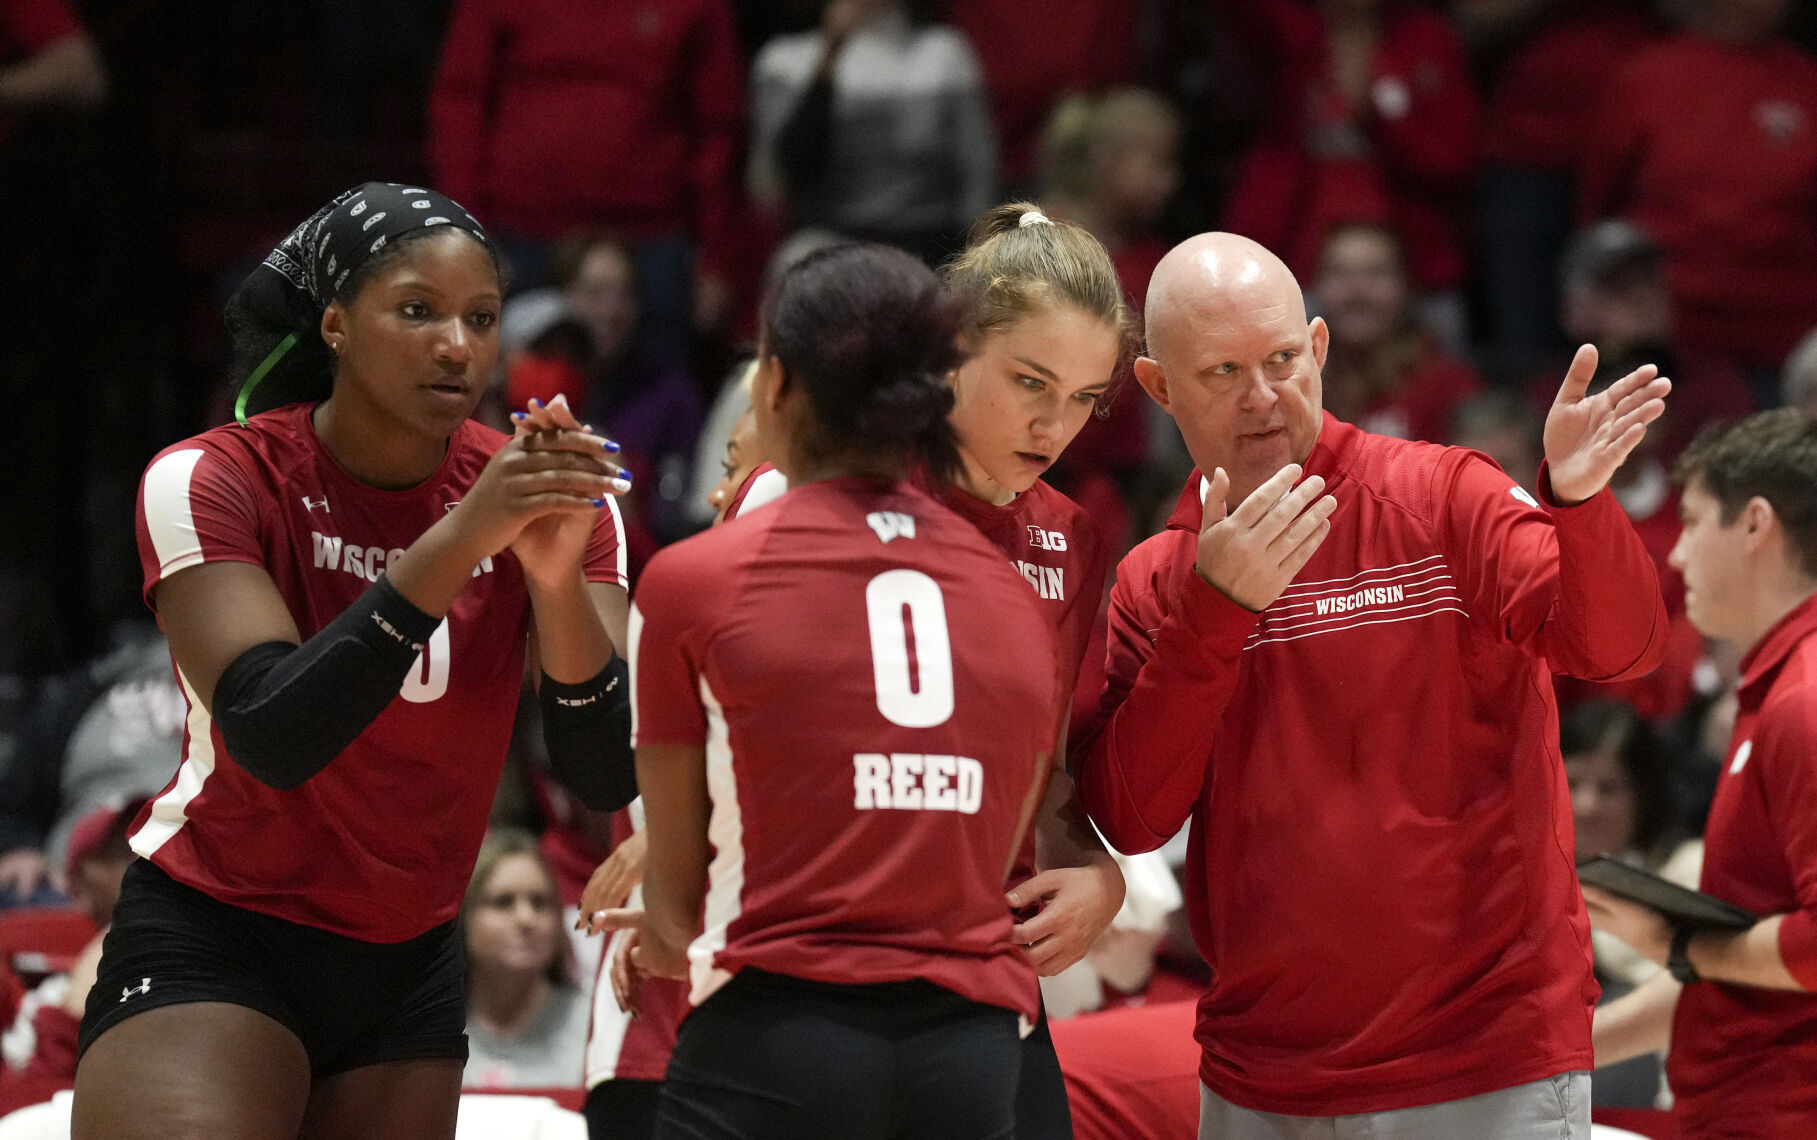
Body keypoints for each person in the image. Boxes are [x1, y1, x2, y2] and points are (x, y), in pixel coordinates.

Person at [1073, 231, 1672, 1137]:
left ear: (1318, 348)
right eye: (1224, 372)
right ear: (1158, 388)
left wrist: (1580, 505)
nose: (1262, 396)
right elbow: (1130, 818)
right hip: (1260, 1074)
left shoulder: (1444, 497)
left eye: (1281, 359)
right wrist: (1216, 613)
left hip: (1481, 1056)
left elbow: (1619, 653)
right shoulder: (1157, 579)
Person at [70, 183, 635, 1140]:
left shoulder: (550, 499)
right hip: (222, 923)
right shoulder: (215, 476)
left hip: (409, 955)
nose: (455, 345)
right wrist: (465, 536)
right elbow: (273, 733)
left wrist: (552, 582)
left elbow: (604, 771)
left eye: (480, 318)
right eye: (417, 310)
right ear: (335, 324)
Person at [600, 242, 1064, 1138]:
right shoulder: (1012, 596)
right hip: (971, 1059)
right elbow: (994, 856)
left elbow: (676, 903)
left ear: (774, 385)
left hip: (776, 1044)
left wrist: (659, 932)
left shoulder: (692, 582)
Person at [928, 202, 1131, 1137]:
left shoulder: (1069, 534)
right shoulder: (837, 488)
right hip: (836, 967)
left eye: (1085, 397)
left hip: (993, 974)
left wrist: (1096, 874)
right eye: (1029, 382)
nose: (1055, 423)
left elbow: (1041, 770)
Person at [1584, 408, 1817, 1138]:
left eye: (1690, 522)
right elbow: (1733, 974)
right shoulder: (1779, 688)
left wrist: (1681, 943)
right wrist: (1545, 1057)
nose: (1678, 557)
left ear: (1754, 524)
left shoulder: (1805, 699)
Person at [428, 0, 742, 364]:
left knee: (660, 392)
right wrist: (469, 232)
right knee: (512, 388)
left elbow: (718, 127)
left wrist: (717, 258)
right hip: (519, 235)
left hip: (652, 239)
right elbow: (460, 104)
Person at [748, 0, 996, 266]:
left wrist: (977, 255)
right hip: (829, 240)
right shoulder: (783, 60)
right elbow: (785, 170)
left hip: (928, 239)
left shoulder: (943, 51)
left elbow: (976, 167)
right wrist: (833, 47)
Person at [1310, 220, 1481, 444]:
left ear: (1406, 287)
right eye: (1339, 274)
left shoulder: (1449, 388)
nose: (1356, 292)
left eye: (1376, 274)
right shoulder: (1293, 386)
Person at [461, 830, 588, 1091]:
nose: (525, 919)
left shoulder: (592, 1027)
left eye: (540, 903)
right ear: (464, 919)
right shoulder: (429, 1031)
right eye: (502, 902)